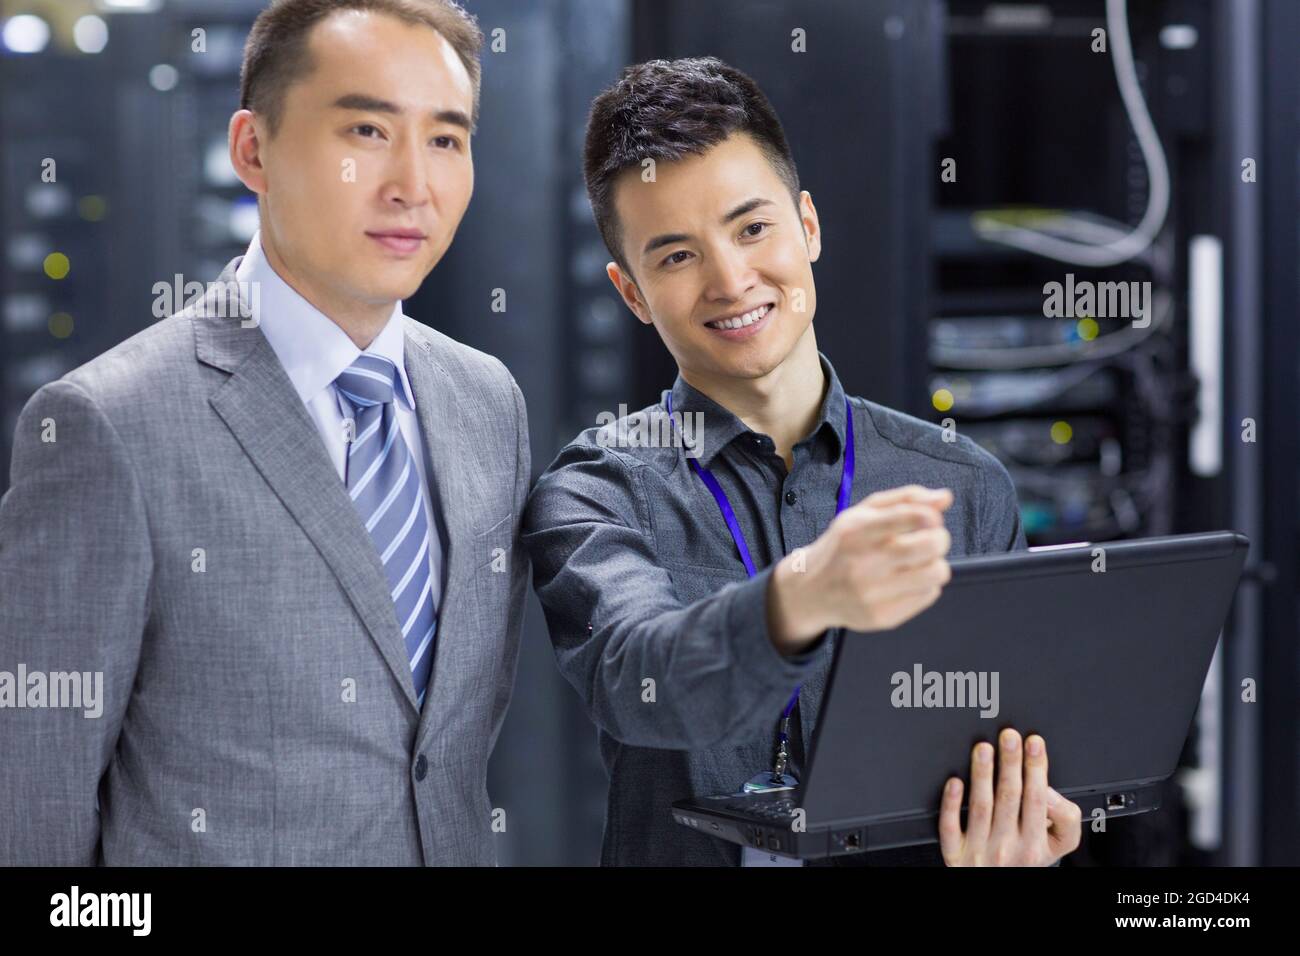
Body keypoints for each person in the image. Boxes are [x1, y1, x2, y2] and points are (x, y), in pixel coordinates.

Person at [0, 0, 529, 865]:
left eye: (446, 139)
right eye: (366, 130)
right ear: (253, 150)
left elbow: (447, 758)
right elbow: (31, 810)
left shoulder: (487, 404)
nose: (413, 184)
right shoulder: (109, 426)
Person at [523, 57, 1083, 867]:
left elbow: (1007, 740)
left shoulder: (963, 483)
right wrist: (802, 598)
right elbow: (637, 678)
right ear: (632, 293)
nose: (731, 279)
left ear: (808, 227)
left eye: (753, 228)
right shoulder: (597, 489)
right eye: (676, 256)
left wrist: (1024, 819)